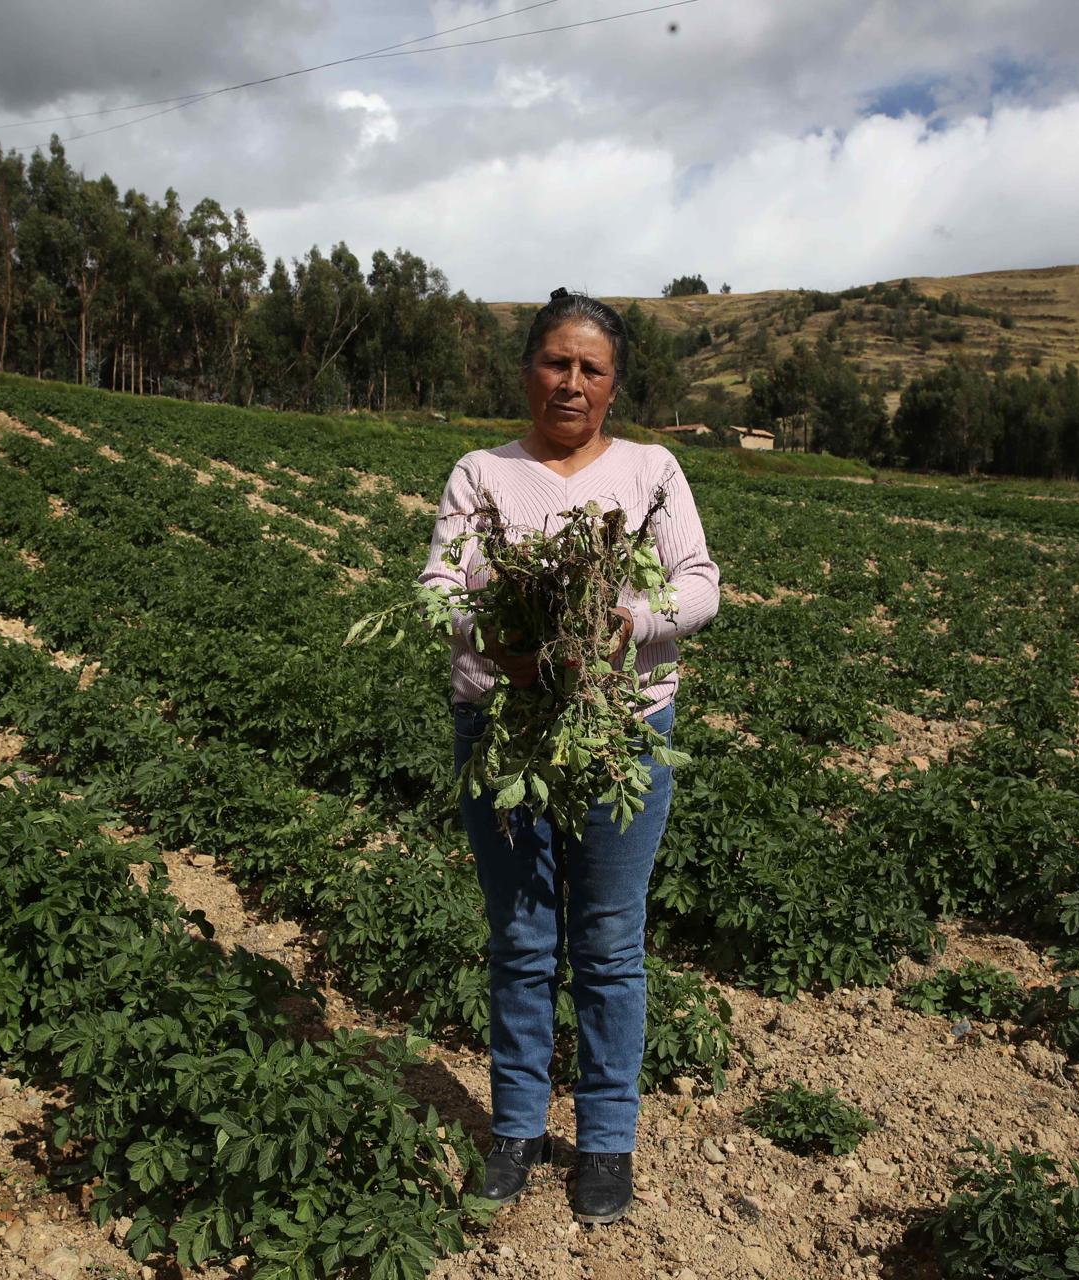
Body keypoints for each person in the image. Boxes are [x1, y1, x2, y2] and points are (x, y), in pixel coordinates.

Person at [421, 288, 720, 1225]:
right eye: (557, 362)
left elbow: (699, 585)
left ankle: (605, 1141)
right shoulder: (481, 474)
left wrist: (629, 621)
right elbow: (440, 588)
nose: (572, 382)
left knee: (609, 942)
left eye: (592, 368)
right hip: (502, 725)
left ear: (614, 385)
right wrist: (502, 639)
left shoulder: (652, 471)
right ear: (528, 371)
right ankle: (515, 1129)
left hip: (621, 728)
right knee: (519, 937)